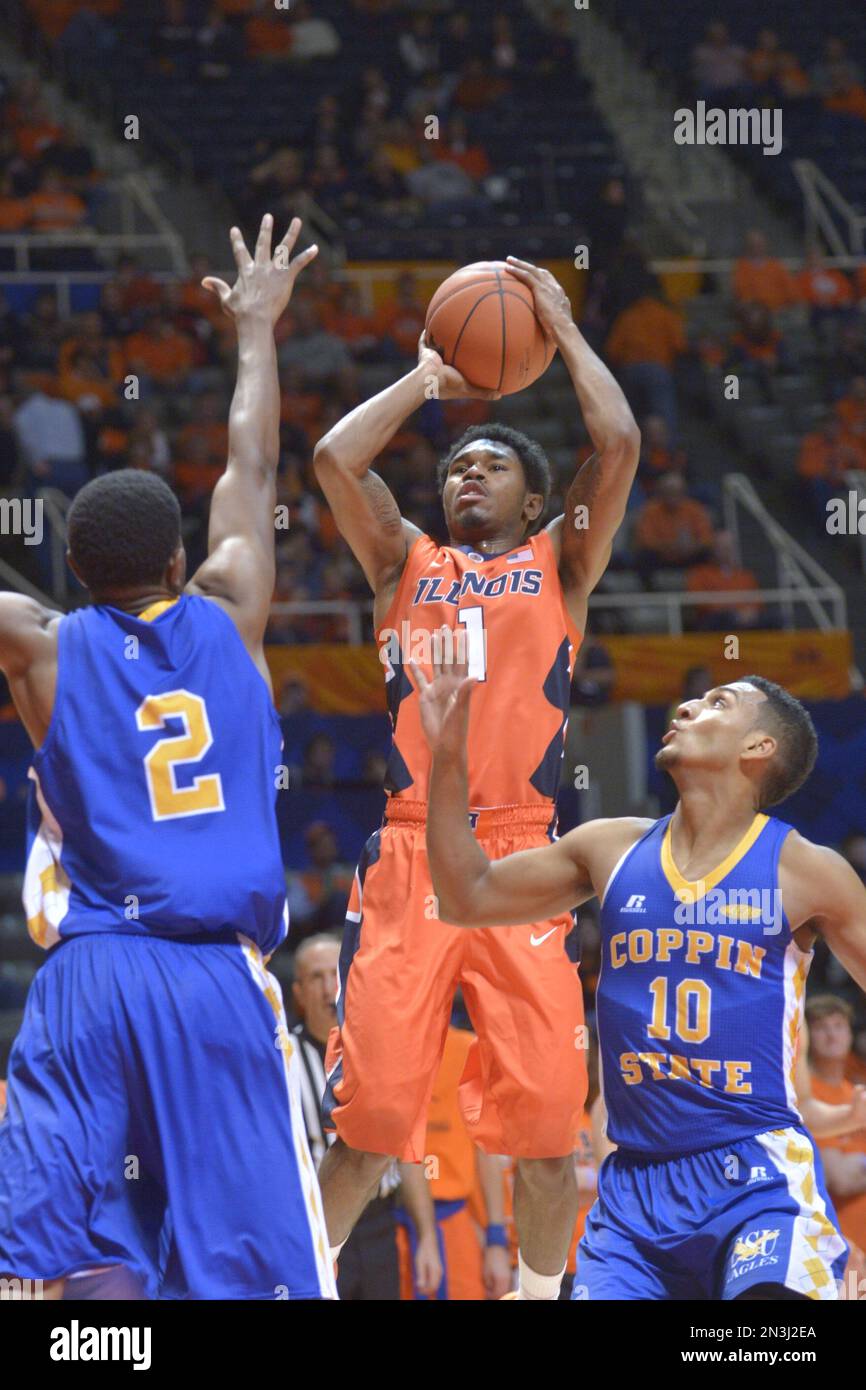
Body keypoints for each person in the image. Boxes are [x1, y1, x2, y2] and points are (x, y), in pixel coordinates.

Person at [0, 214, 336, 1301]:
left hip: (91, 974)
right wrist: (254, 328)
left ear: (72, 567)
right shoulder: (234, 607)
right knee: (241, 1264)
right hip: (211, 980)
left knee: (75, 1244)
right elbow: (254, 457)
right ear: (184, 557)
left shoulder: (42, 650)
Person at [312, 255, 640, 1300]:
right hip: (410, 853)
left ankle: (539, 1298)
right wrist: (422, 382)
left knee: (548, 1132)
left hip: (520, 854)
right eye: (457, 463)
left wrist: (559, 326)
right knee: (366, 1132)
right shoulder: (400, 562)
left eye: (491, 463)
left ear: (534, 497)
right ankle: (294, 1282)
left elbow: (620, 441)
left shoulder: (561, 563)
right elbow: (329, 457)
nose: (467, 473)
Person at [417, 661, 863, 1300]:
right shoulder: (611, 848)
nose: (685, 707)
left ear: (758, 747)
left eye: (717, 703)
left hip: (755, 1176)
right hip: (633, 1195)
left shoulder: (806, 870)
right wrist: (448, 758)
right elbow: (466, 895)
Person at [290, 934, 402, 1300]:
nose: (328, 988)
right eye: (316, 978)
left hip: (379, 1223)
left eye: (335, 975)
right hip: (314, 1218)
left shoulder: (378, 1048)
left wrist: (428, 1233)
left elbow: (405, 1146)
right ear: (298, 992)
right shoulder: (283, 1055)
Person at [806, 995, 866, 1257]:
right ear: (807, 1038)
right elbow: (840, 1179)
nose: (832, 1035)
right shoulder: (807, 1099)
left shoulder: (855, 1090)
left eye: (839, 1025)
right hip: (842, 1248)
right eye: (821, 1027)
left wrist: (857, 1162)